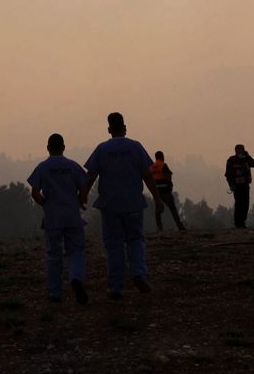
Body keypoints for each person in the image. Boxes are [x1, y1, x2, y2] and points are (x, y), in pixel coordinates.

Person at [82, 112, 163, 299]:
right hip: (133, 203)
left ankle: (115, 287)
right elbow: (148, 175)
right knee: (136, 240)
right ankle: (139, 273)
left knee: (114, 245)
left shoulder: (102, 149)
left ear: (109, 129)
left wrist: (82, 196)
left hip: (110, 205)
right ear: (125, 127)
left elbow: (91, 176)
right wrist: (157, 199)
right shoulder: (135, 147)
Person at [27, 133, 90, 304]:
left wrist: (44, 204)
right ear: (63, 147)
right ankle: (76, 277)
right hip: (72, 215)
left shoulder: (42, 167)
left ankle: (55, 293)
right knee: (76, 251)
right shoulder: (72, 166)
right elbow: (84, 186)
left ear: (48, 148)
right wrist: (80, 200)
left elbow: (34, 192)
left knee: (53, 254)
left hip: (53, 217)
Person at [150, 151, 186, 232]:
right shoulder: (163, 165)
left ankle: (159, 228)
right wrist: (170, 185)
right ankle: (180, 227)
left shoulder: (152, 167)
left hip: (157, 192)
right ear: (162, 156)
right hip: (165, 191)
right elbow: (168, 176)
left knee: (158, 211)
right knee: (173, 209)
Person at [224, 144, 254, 229]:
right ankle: (238, 223)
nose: (242, 151)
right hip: (237, 186)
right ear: (236, 150)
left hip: (245, 185)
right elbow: (228, 174)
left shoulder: (246, 159)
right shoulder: (231, 160)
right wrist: (231, 185)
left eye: (243, 149)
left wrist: (248, 156)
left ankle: (242, 222)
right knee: (239, 204)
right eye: (240, 149)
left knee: (246, 204)